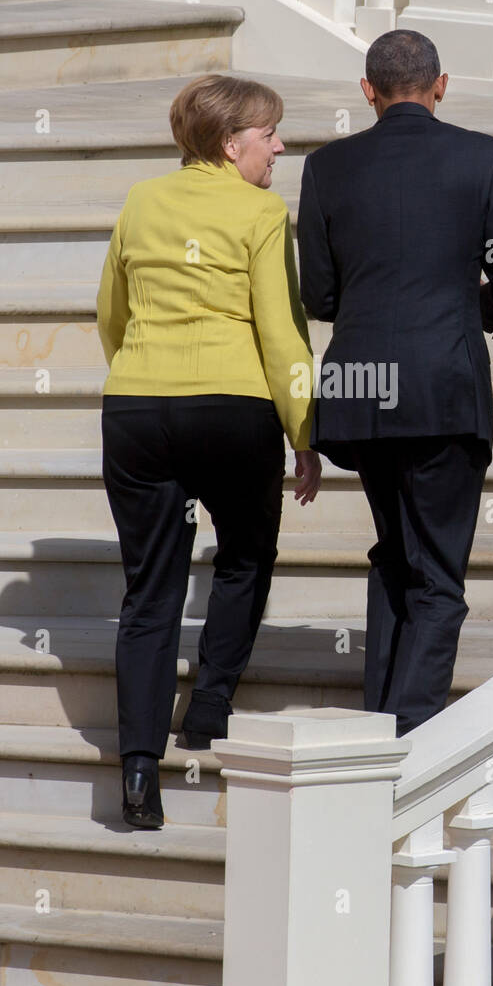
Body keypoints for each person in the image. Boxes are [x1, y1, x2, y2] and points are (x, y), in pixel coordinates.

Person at [296, 30, 493, 738]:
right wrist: (468, 312)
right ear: (441, 86)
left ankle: (379, 726)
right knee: (436, 577)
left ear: (366, 92)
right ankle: (409, 743)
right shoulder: (481, 156)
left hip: (360, 390)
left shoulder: (326, 166)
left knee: (396, 556)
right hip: (443, 388)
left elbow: (318, 293)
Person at [97, 74, 321, 829]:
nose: (279, 146)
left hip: (135, 405)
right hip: (231, 405)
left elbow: (111, 313)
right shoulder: (261, 211)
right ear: (232, 145)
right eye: (269, 134)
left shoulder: (139, 201)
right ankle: (211, 705)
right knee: (247, 552)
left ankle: (136, 771)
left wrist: (141, 375)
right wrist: (303, 431)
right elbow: (282, 331)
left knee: (149, 592)